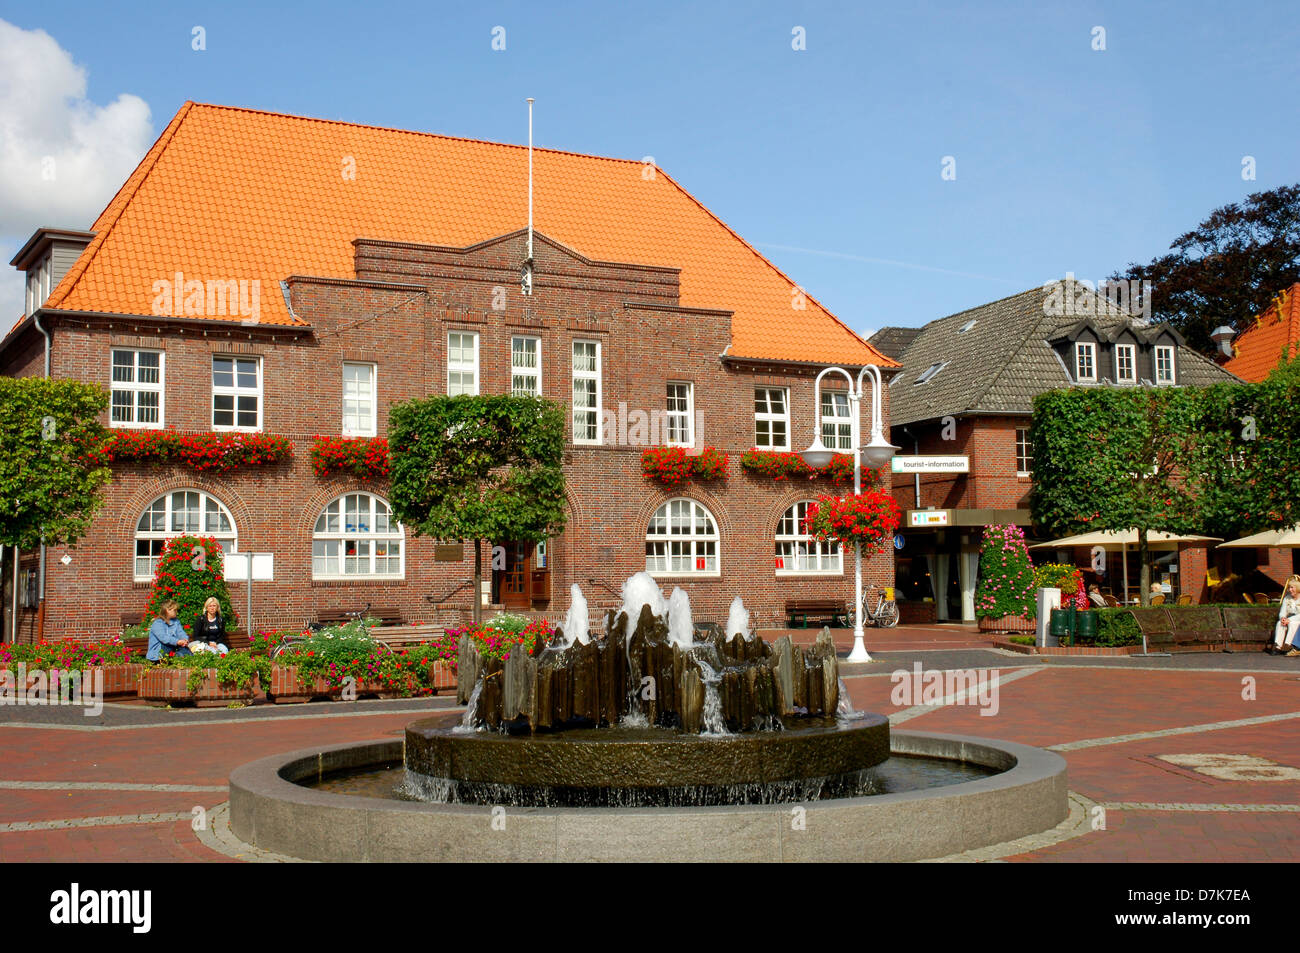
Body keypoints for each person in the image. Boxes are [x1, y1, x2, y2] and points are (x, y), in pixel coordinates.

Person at [1270, 575, 1300, 656]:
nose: (1290, 590)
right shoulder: (1287, 598)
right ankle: (1277, 646)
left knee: (1292, 623)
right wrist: (1283, 618)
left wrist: (1289, 620)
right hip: (1288, 619)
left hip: (1297, 620)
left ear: (1297, 588)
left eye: (1292, 587)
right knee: (1280, 623)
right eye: (1289, 588)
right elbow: (1282, 612)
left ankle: (1289, 645)